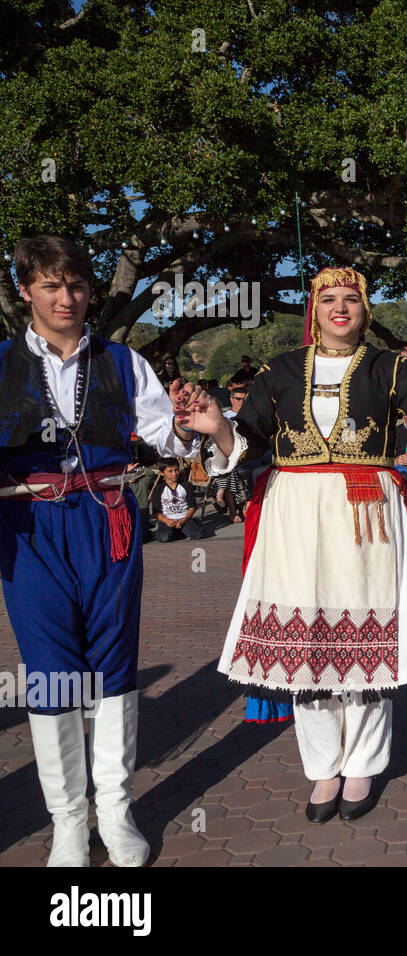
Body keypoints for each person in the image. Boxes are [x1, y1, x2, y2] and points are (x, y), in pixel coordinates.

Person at [184, 266, 407, 824]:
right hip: (294, 511)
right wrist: (217, 427)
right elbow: (247, 438)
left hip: (365, 509)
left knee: (365, 636)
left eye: (352, 299)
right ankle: (324, 767)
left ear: (366, 309)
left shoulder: (389, 365)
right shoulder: (279, 369)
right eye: (330, 300)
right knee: (308, 638)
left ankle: (364, 765)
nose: (341, 308)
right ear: (314, 310)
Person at [0, 235, 203, 866]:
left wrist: (193, 423)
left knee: (114, 663)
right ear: (26, 290)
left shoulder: (122, 362)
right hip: (27, 526)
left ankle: (114, 810)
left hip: (107, 518)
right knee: (51, 669)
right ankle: (66, 821)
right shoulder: (1, 363)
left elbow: (169, 440)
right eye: (52, 286)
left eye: (78, 285)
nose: (67, 298)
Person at [210, 382, 252, 523]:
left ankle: (221, 494)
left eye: (244, 399)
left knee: (229, 467)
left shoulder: (251, 415)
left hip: (246, 454)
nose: (241, 402)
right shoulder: (225, 417)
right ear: (231, 399)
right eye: (238, 399)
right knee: (230, 467)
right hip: (227, 455)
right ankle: (234, 510)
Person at [149, 457, 206, 542]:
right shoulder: (159, 489)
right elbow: (156, 512)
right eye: (170, 471)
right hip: (167, 520)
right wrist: (167, 521)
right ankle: (178, 531)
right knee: (162, 538)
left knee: (198, 534)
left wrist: (184, 519)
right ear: (162, 473)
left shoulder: (186, 485)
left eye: (176, 470)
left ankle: (188, 526)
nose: (175, 474)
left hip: (184, 518)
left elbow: (192, 506)